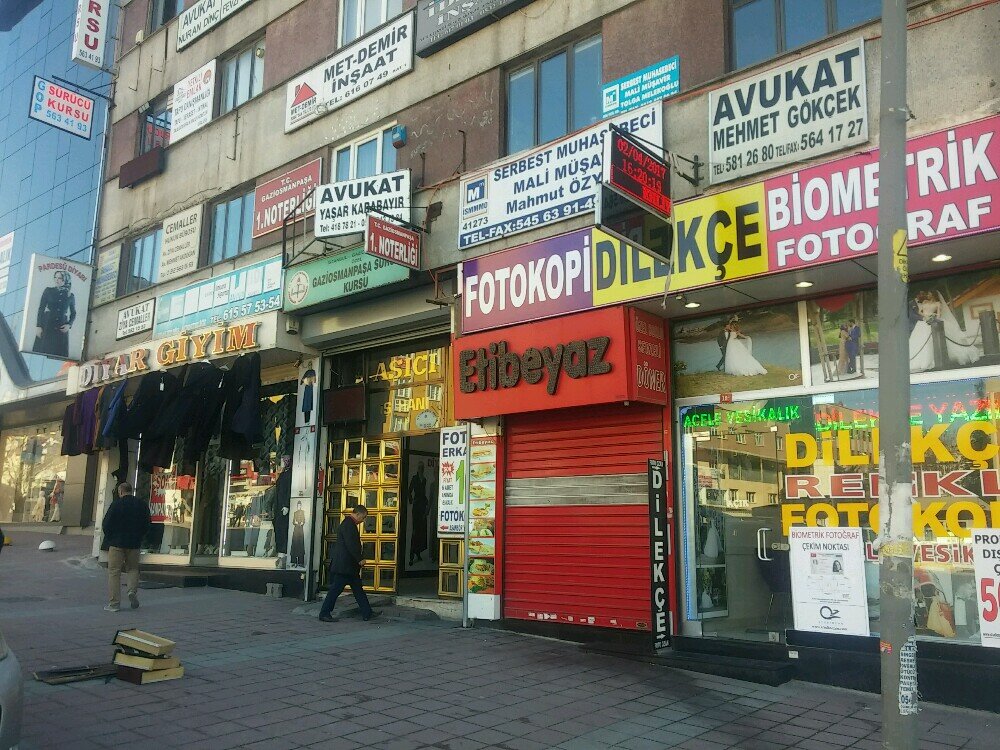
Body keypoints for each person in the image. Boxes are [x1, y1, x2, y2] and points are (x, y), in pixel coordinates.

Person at [318, 505, 380, 623]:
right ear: (358, 514)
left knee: (358, 590)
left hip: (349, 567)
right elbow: (351, 544)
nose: (363, 520)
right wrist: (360, 559)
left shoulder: (348, 524)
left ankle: (367, 612)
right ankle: (324, 613)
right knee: (335, 591)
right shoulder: (348, 525)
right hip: (344, 567)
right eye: (363, 517)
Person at [102, 482, 151, 612]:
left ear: (120, 491)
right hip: (134, 543)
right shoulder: (141, 505)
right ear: (131, 490)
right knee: (133, 569)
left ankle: (114, 603)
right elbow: (147, 523)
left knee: (114, 572)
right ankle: (131, 591)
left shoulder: (116, 504)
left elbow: (106, 523)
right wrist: (140, 537)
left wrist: (111, 538)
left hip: (117, 543)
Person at [33, 270, 76, 358]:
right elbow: (41, 308)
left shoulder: (70, 295)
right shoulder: (48, 291)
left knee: (59, 353)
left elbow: (73, 313)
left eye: (60, 278)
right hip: (47, 323)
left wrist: (69, 325)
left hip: (61, 326)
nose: (57, 280)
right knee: (44, 349)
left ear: (65, 280)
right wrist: (38, 326)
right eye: (55, 277)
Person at [408, 462, 429, 566]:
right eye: (420, 467)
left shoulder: (424, 479)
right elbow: (409, 490)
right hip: (417, 507)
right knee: (415, 531)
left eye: (422, 468)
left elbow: (423, 493)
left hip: (422, 506)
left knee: (422, 531)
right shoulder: (415, 478)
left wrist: (426, 502)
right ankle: (412, 556)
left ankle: (418, 553)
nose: (421, 469)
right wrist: (411, 500)